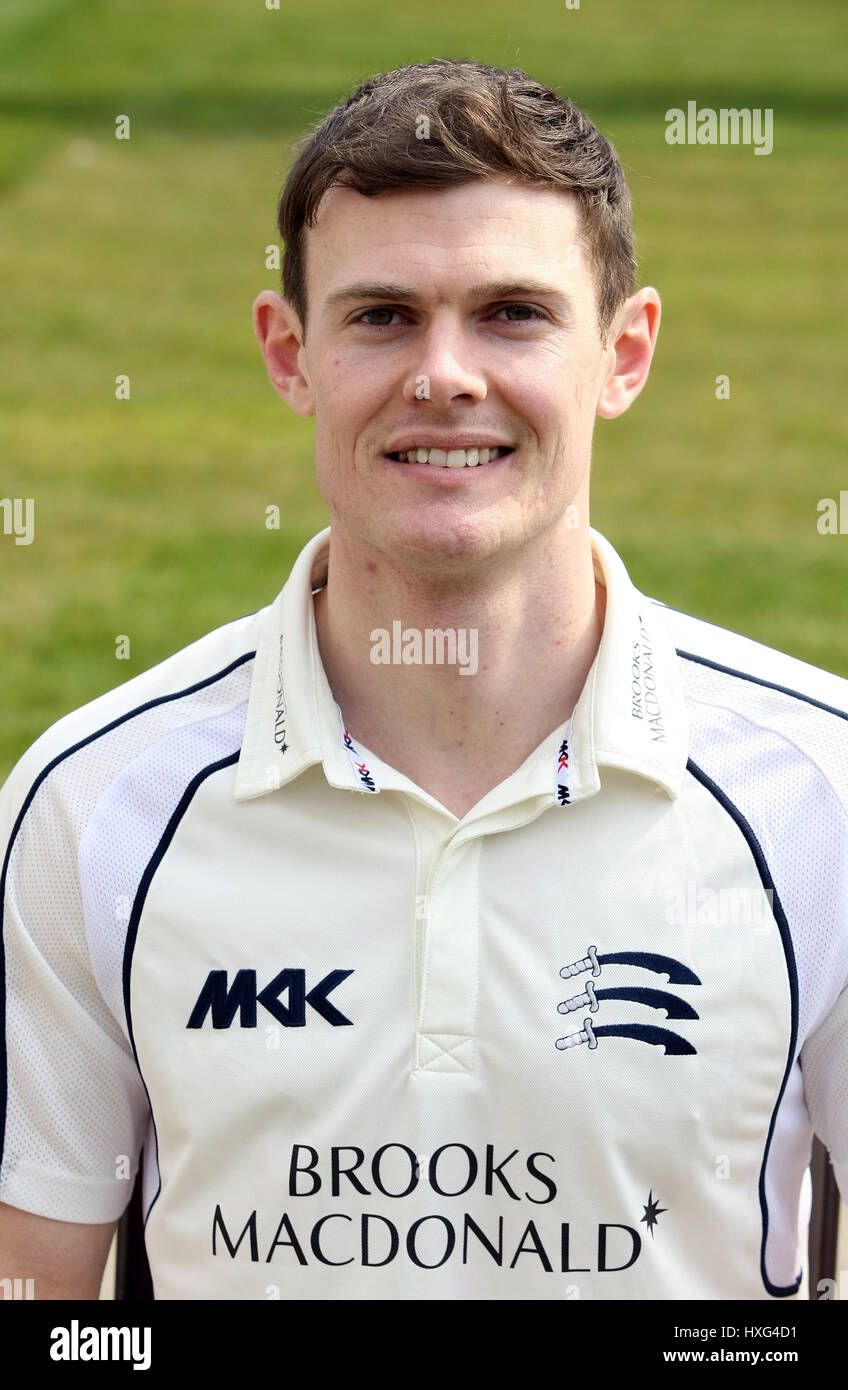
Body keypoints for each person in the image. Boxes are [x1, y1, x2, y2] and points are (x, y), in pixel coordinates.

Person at [0, 57, 845, 1302]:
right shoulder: (93, 803)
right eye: (381, 315)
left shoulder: (819, 792)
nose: (443, 373)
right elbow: (42, 1293)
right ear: (290, 353)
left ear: (623, 352)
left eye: (512, 312)